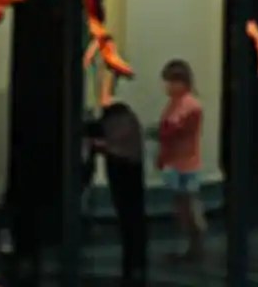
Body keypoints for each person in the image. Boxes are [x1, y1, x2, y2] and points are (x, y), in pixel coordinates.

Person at [86, 101, 148, 285]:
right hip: (127, 179)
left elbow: (116, 148)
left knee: (131, 223)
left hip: (125, 180)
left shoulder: (121, 125)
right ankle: (135, 265)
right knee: (133, 224)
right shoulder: (129, 122)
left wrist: (98, 145)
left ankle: (134, 266)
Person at [157, 60, 206, 263]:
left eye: (171, 82)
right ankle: (188, 245)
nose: (167, 87)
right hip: (175, 161)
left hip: (187, 162)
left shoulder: (191, 106)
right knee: (180, 206)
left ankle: (195, 244)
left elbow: (178, 130)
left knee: (190, 205)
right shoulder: (172, 105)